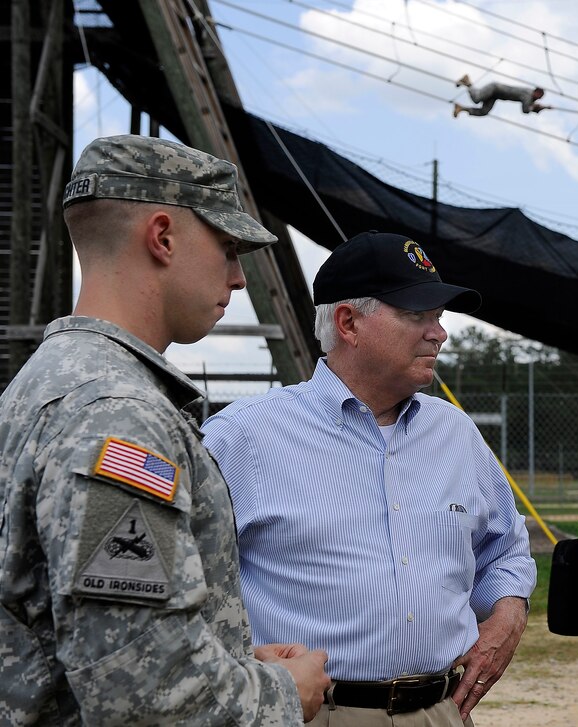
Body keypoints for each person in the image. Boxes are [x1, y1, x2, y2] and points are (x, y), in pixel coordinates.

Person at [0, 134, 330, 724]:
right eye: (228, 249)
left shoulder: (45, 383)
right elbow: (147, 699)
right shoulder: (117, 413)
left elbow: (82, 641)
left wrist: (228, 662)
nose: (238, 278)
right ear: (163, 237)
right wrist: (282, 693)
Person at [201, 231, 537, 726]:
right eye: (416, 315)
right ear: (348, 321)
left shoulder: (454, 433)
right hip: (317, 715)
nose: (438, 333)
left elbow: (505, 549)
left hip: (441, 713)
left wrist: (508, 614)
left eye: (439, 317)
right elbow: (187, 584)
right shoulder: (241, 438)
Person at [453, 73, 551, 118]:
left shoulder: (530, 97)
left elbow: (530, 106)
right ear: (536, 92)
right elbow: (525, 109)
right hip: (495, 89)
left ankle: (461, 108)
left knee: (484, 111)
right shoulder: (528, 95)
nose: (539, 98)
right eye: (539, 96)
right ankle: (468, 83)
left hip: (496, 95)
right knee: (477, 98)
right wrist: (537, 108)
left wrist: (541, 107)